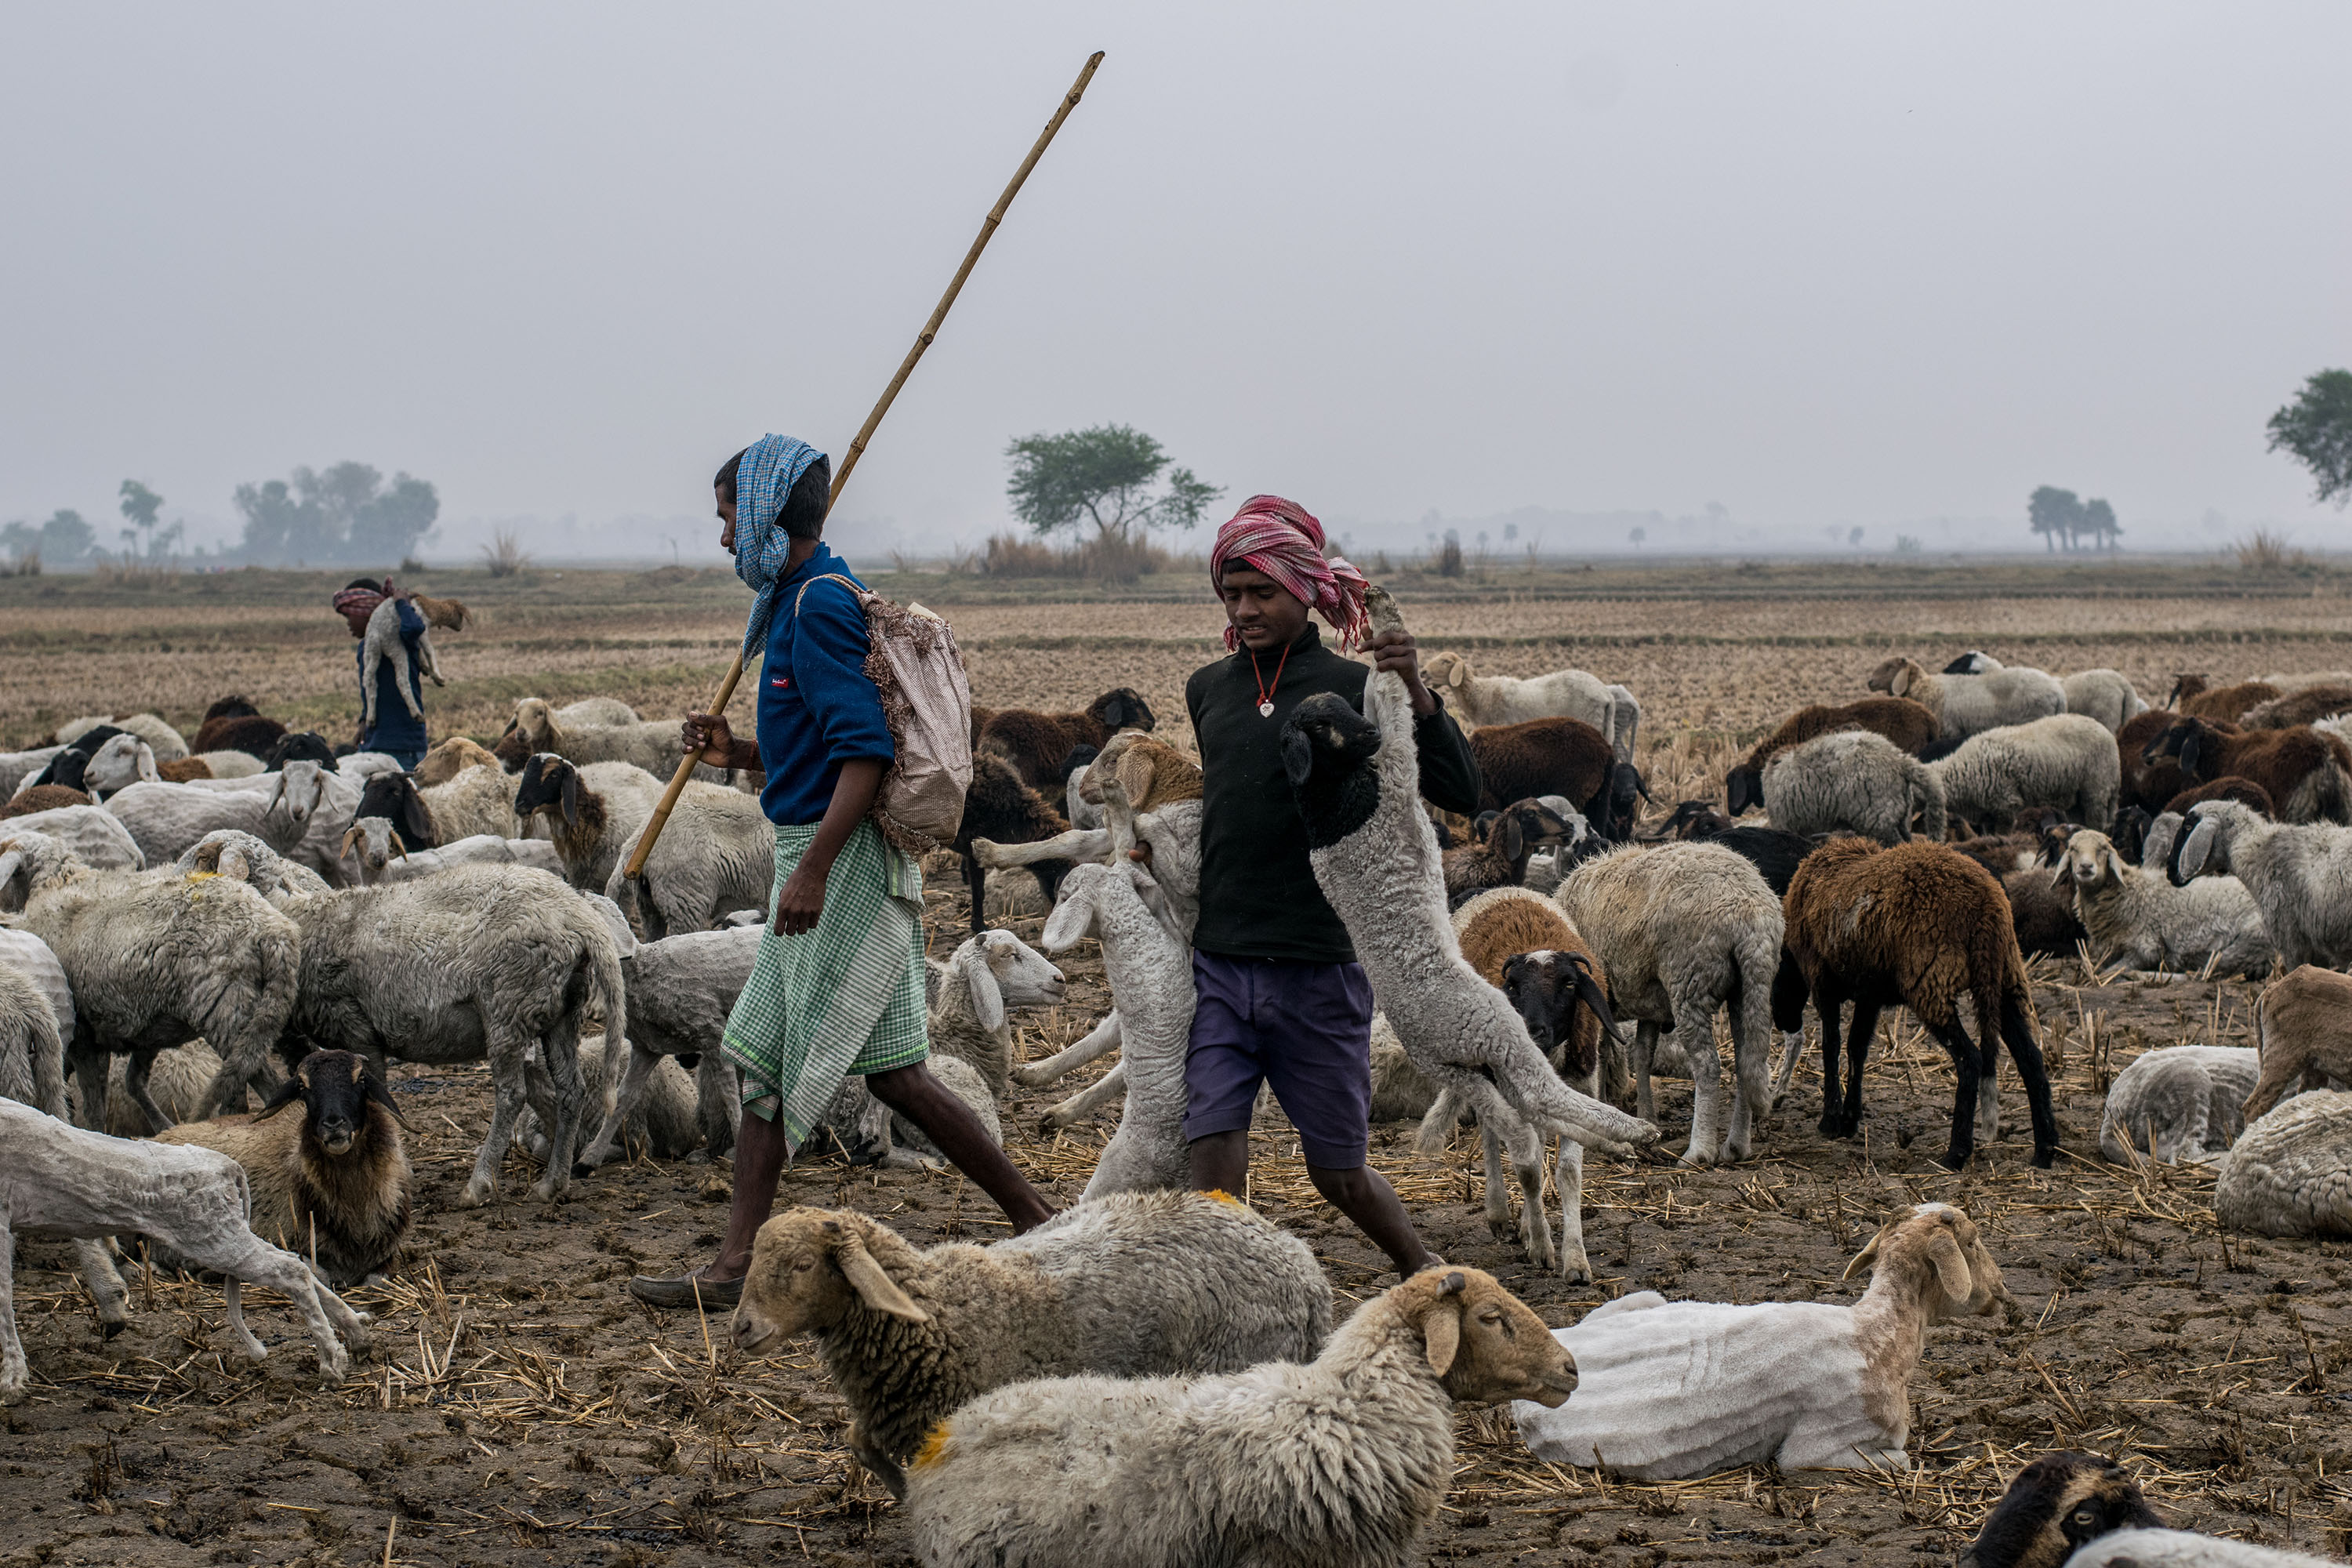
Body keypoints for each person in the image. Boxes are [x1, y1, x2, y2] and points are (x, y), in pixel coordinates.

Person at [630, 434, 1053, 1309]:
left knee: (765, 1057)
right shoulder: (797, 598)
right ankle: (1042, 1220)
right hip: (833, 850)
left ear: (762, 517)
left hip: (841, 860)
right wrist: (741, 752)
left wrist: (812, 872)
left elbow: (865, 753)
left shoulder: (818, 604)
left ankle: (735, 1267)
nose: (722, 538)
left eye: (727, 518)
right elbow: (824, 747)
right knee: (896, 1072)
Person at [1181, 495, 1480, 1279]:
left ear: (1306, 590)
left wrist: (1414, 689)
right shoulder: (1208, 688)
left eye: (1263, 592)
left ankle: (1424, 1268)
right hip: (1222, 960)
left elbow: (1461, 788)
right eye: (1232, 594)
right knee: (1211, 1147)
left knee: (1338, 1173)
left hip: (1320, 966)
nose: (1245, 609)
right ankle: (1222, 1290)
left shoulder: (1356, 686)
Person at [332, 577, 429, 768]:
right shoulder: (366, 646)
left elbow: (415, 628)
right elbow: (370, 689)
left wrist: (401, 604)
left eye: (349, 616)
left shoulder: (401, 638)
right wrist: (364, 721)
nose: (348, 624)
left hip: (403, 747)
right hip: (374, 743)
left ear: (367, 611)